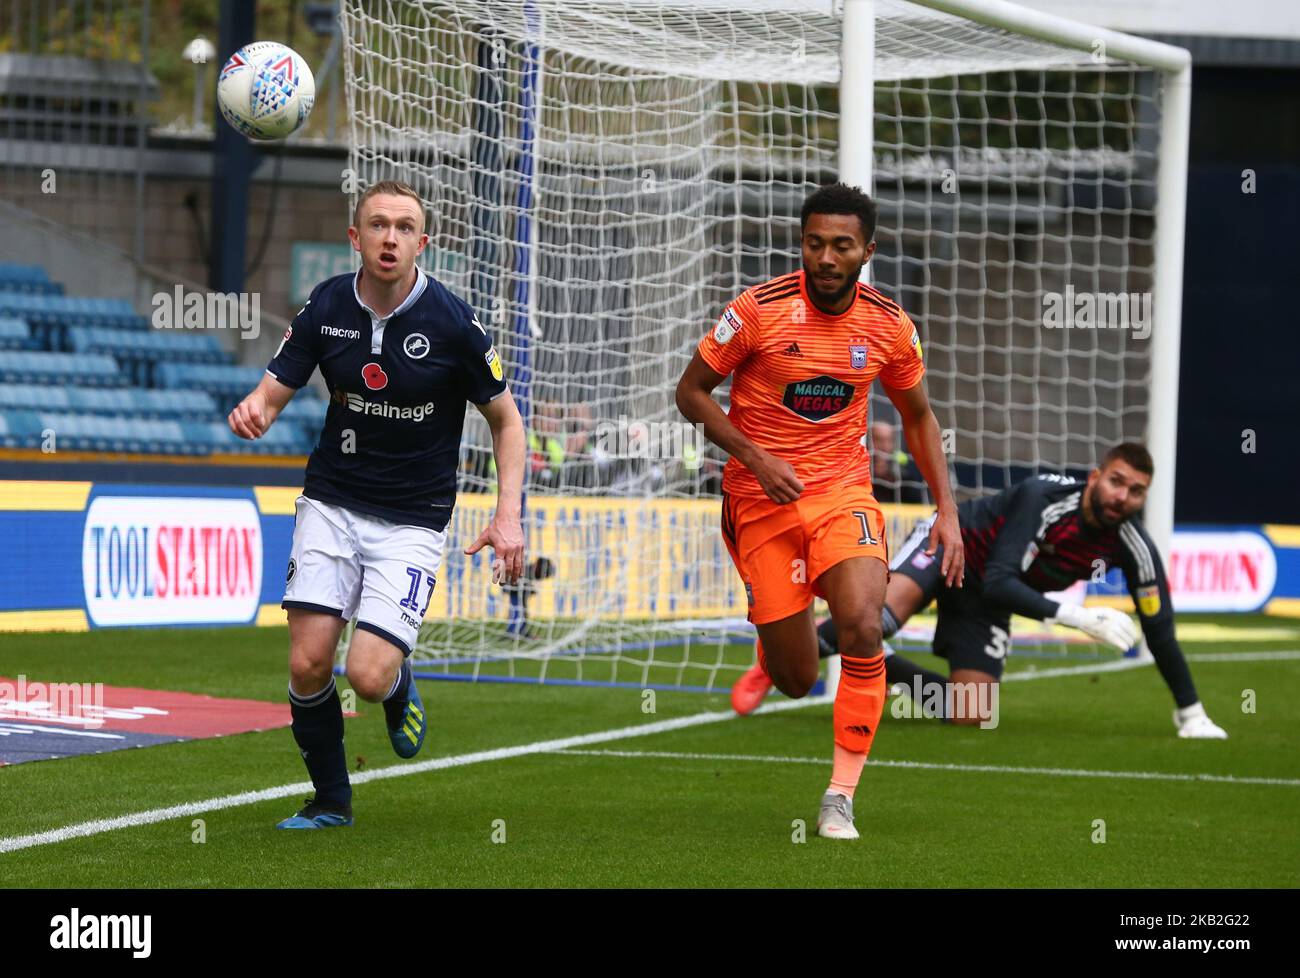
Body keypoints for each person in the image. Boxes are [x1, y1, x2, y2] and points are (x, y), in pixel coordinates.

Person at [228, 180, 526, 829]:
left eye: (403, 227)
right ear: (355, 237)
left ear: (424, 242)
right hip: (332, 501)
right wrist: (256, 409)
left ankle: (396, 687)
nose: (389, 237)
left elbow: (507, 420)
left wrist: (508, 515)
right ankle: (332, 799)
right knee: (308, 662)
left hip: (413, 519)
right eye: (377, 225)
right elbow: (273, 390)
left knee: (365, 674)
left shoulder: (452, 322)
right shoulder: (327, 305)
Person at [676, 183, 963, 840]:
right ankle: (778, 641)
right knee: (799, 679)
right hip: (759, 501)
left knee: (863, 625)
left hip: (844, 494)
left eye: (841, 245)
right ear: (801, 243)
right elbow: (690, 393)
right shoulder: (756, 310)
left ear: (867, 249)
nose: (826, 257)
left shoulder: (889, 325)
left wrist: (947, 508)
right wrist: (756, 457)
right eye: (814, 243)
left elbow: (918, 416)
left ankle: (840, 795)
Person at [733, 443, 1228, 738]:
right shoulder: (1045, 497)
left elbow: (1159, 628)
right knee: (881, 617)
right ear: (1096, 478)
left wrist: (1191, 713)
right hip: (952, 545)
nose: (1123, 496)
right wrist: (1076, 617)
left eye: (1136, 490)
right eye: (1117, 482)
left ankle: (876, 667)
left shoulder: (1133, 544)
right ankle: (772, 661)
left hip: (988, 596)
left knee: (972, 712)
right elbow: (1001, 577)